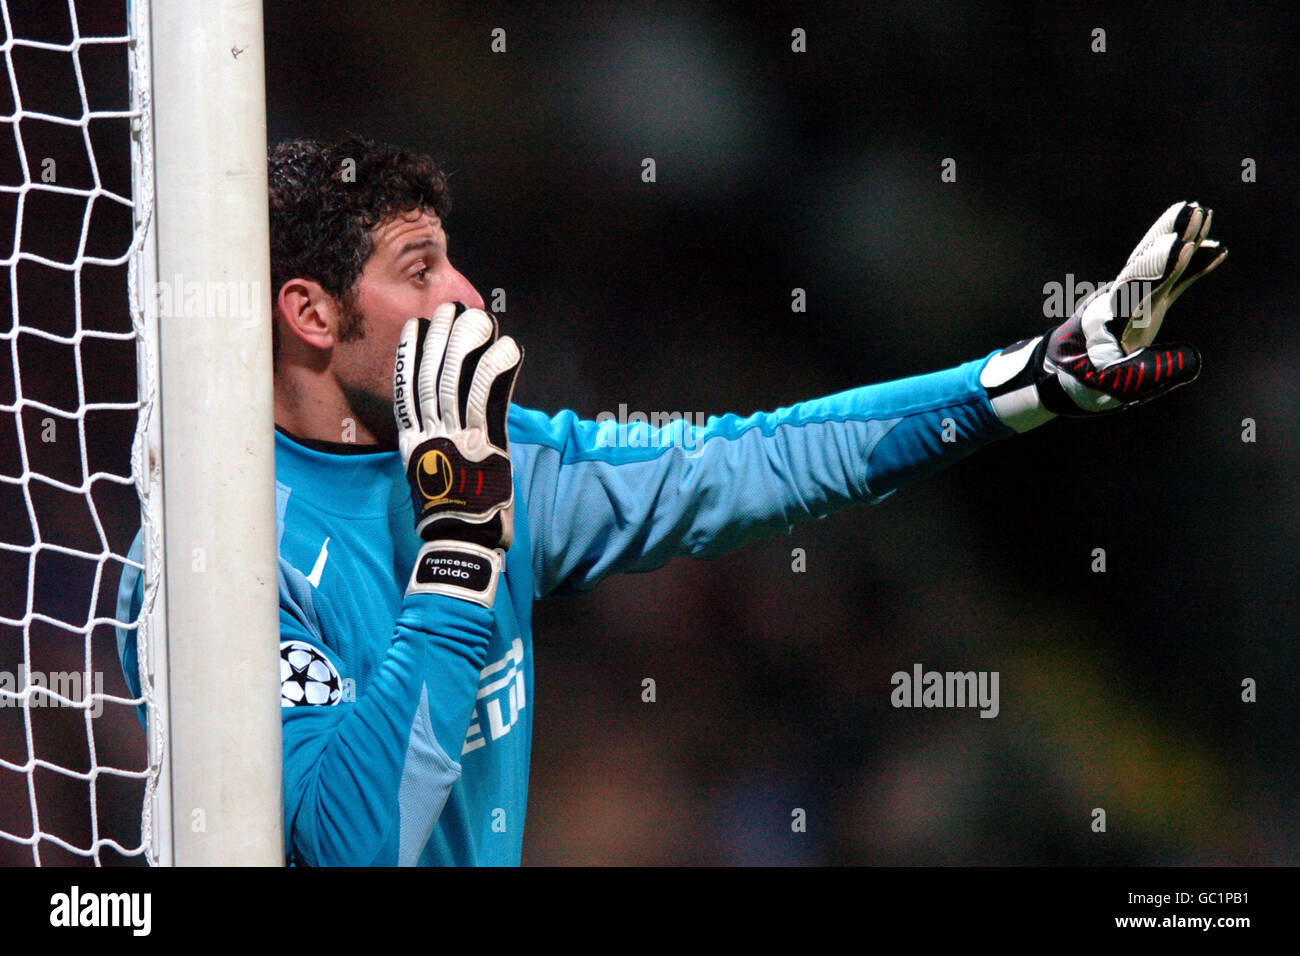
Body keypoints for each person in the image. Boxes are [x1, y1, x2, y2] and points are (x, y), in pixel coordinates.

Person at [116, 136, 1226, 866]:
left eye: (451, 258)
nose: (462, 294)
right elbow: (357, 843)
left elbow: (762, 459)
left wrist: (1030, 378)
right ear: (310, 314)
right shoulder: (207, 564)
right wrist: (459, 539)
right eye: (418, 268)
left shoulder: (518, 467)